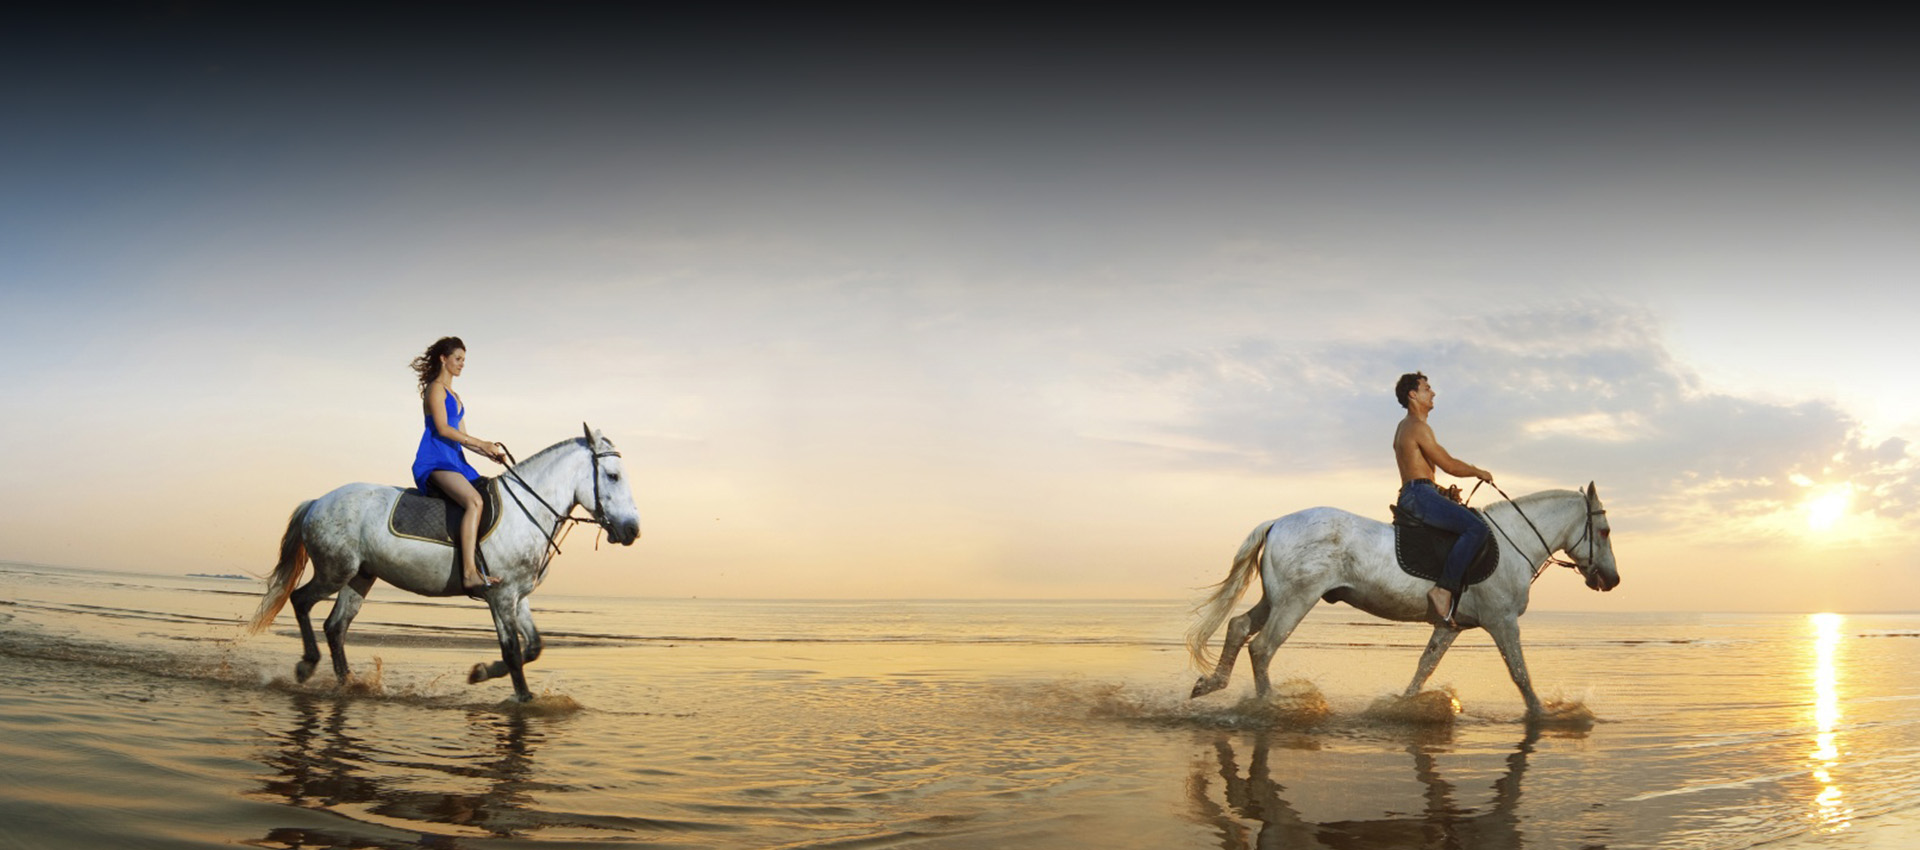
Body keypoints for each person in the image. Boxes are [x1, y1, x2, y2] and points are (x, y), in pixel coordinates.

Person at [1392, 372, 1493, 628]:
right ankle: (1443, 590)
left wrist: (1440, 491)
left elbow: (1419, 469)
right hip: (1419, 494)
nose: (1433, 392)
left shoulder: (1405, 426)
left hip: (1419, 491)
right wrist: (1477, 471)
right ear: (1413, 394)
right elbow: (1448, 464)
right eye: (1427, 388)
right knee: (1476, 528)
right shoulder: (1418, 426)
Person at [410, 336, 508, 597]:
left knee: (487, 497)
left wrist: (488, 452)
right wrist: (480, 442)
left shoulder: (456, 396)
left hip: (455, 461)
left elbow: (464, 437)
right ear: (444, 358)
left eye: (464, 360)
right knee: (474, 501)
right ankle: (468, 574)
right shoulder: (436, 390)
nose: (462, 364)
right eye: (458, 359)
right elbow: (443, 429)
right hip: (435, 459)